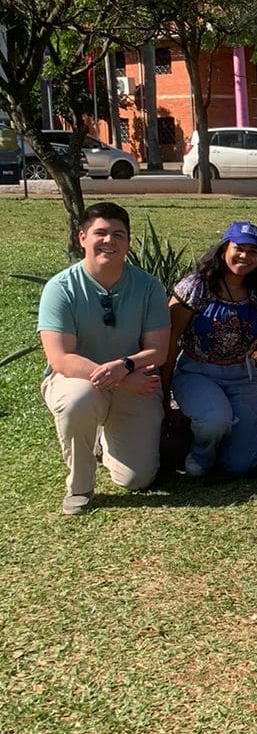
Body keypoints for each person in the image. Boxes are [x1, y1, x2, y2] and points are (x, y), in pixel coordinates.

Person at [38, 202, 170, 515]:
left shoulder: (149, 288)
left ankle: (104, 446)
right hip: (78, 381)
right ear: (82, 237)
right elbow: (61, 358)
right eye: (100, 233)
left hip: (134, 380)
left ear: (128, 243)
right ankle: (80, 487)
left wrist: (124, 369)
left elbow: (158, 350)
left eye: (118, 234)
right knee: (79, 400)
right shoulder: (60, 289)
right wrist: (119, 378)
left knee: (136, 479)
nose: (109, 240)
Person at [164, 221, 257, 477]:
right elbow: (171, 336)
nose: (244, 256)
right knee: (214, 421)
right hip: (198, 371)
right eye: (239, 248)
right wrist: (163, 392)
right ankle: (201, 454)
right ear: (223, 250)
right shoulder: (197, 286)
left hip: (242, 375)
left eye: (253, 251)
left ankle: (234, 444)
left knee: (240, 464)